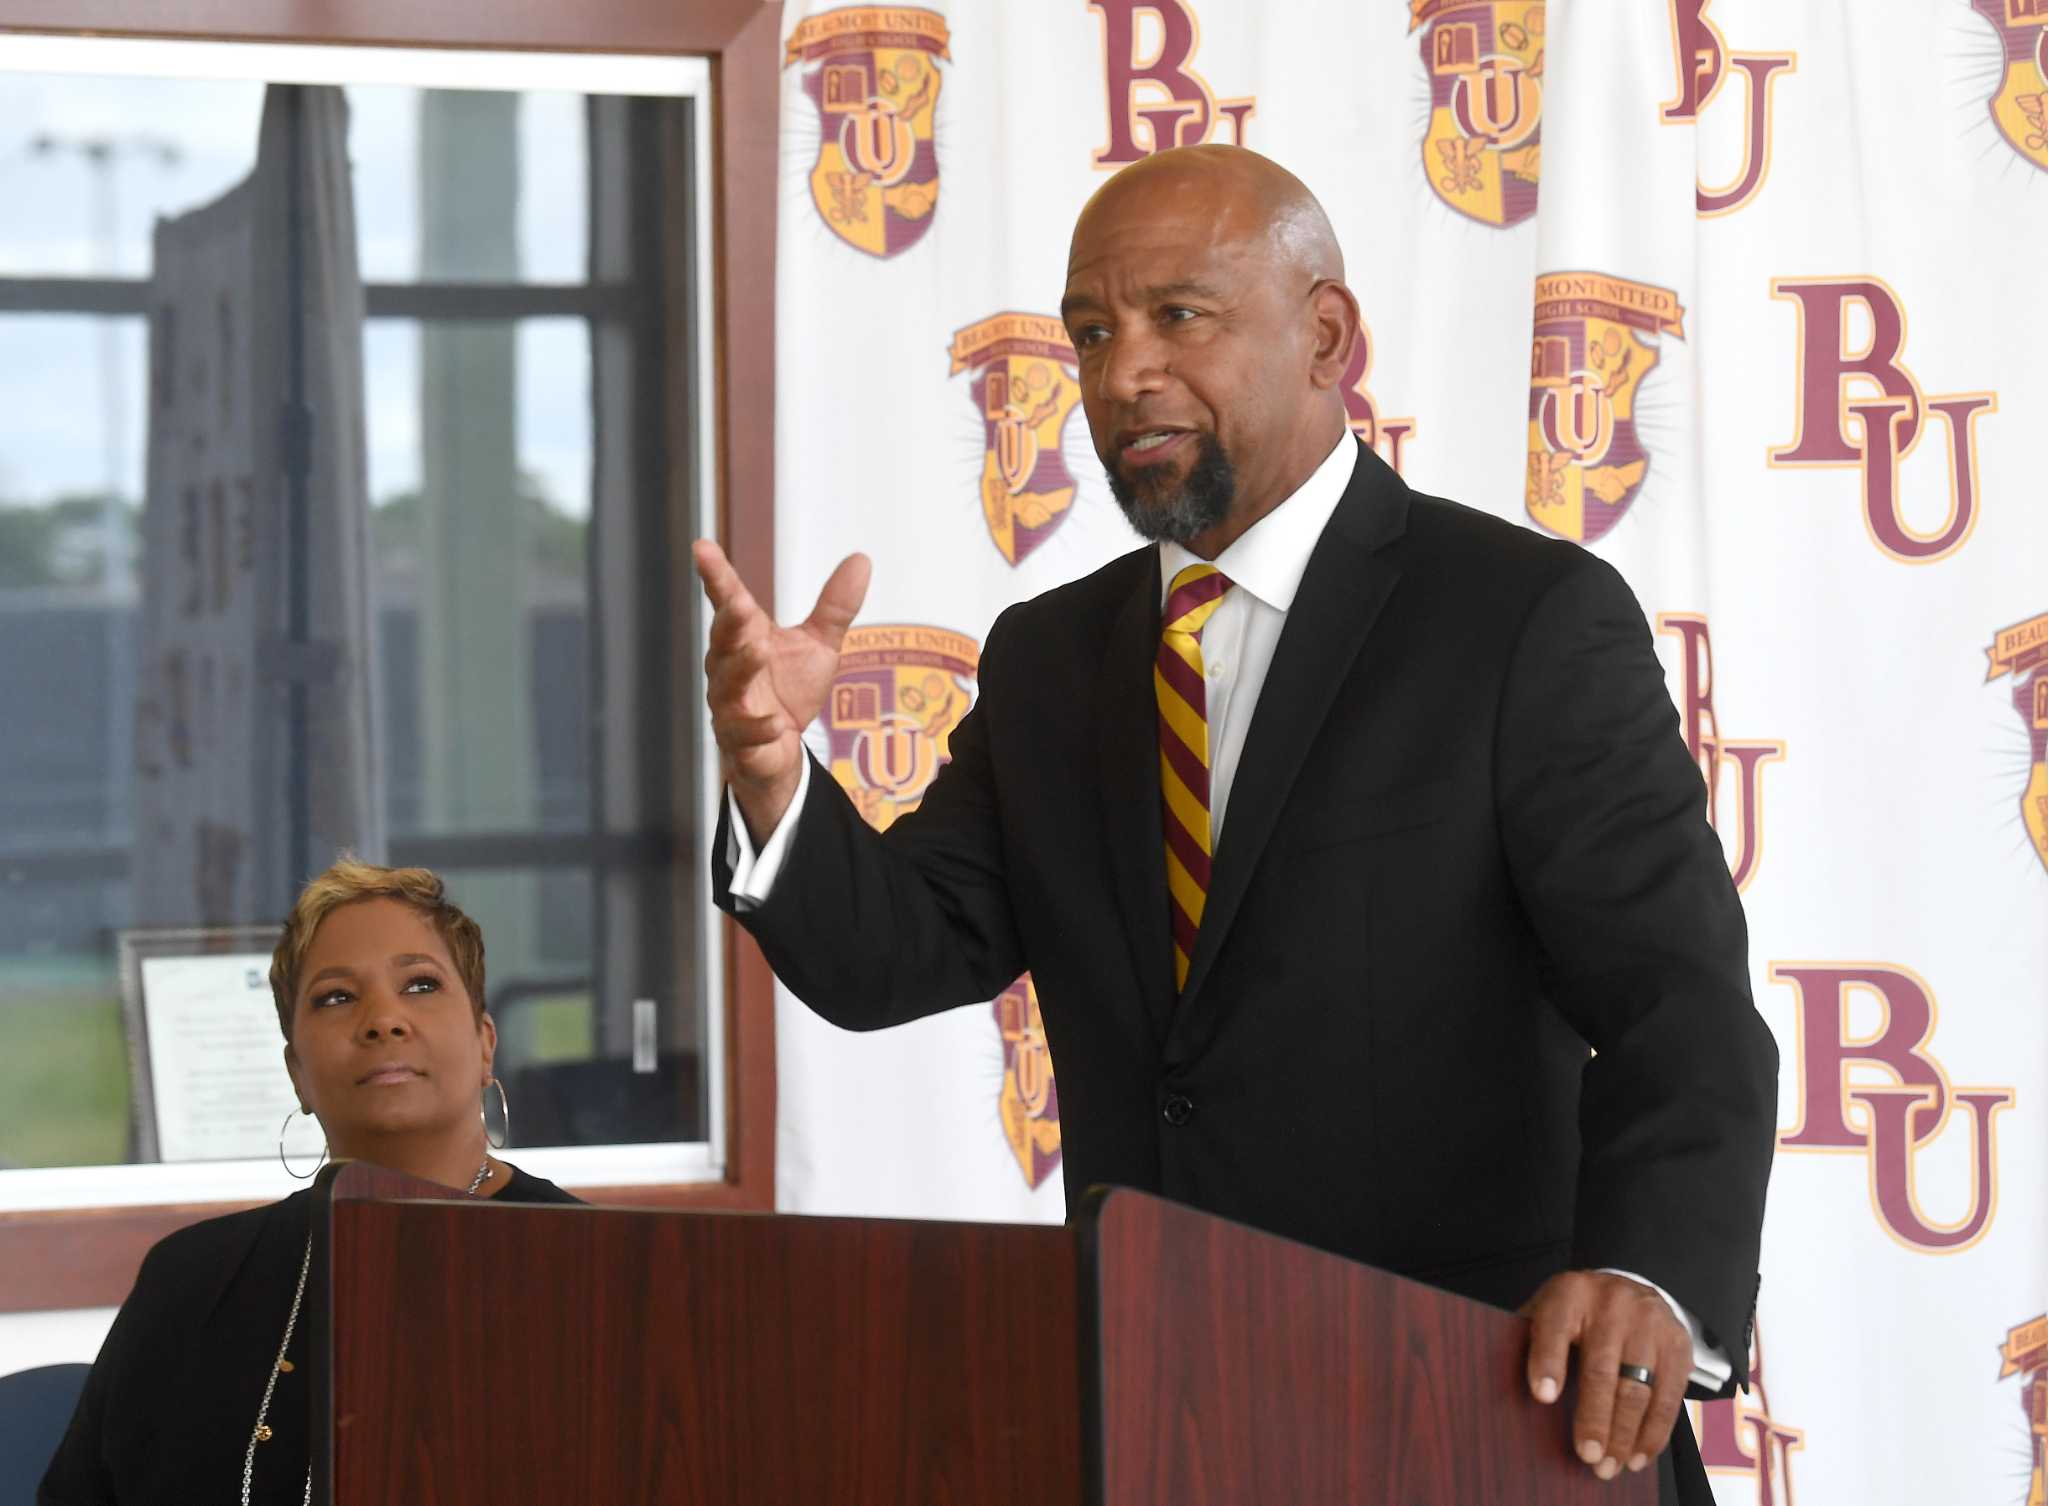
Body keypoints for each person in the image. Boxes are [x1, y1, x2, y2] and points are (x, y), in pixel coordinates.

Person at [692, 144, 1776, 1504]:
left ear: (1327, 335)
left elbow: (1679, 998)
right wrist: (773, 770)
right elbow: (895, 951)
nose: (1122, 372)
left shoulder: (1518, 621)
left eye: (1177, 317)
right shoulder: (1052, 658)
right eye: (1091, 332)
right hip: (1164, 1423)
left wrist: (1646, 1273)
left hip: (1480, 1419)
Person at [39, 860, 580, 1506]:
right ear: (297, 1071)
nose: (383, 1020)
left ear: (485, 1042)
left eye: (420, 985)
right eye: (336, 997)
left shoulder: (594, 1269)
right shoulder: (186, 1283)